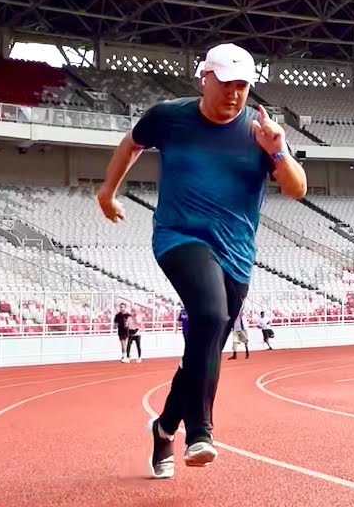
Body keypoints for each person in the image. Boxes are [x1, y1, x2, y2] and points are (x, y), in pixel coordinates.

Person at [95, 42, 307, 480]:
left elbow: (297, 189)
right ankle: (200, 432)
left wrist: (279, 151)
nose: (234, 94)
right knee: (209, 315)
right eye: (226, 84)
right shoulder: (168, 117)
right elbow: (131, 145)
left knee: (204, 346)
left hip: (237, 255)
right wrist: (107, 191)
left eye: (243, 86)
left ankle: (164, 427)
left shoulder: (260, 131)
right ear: (204, 79)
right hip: (180, 237)